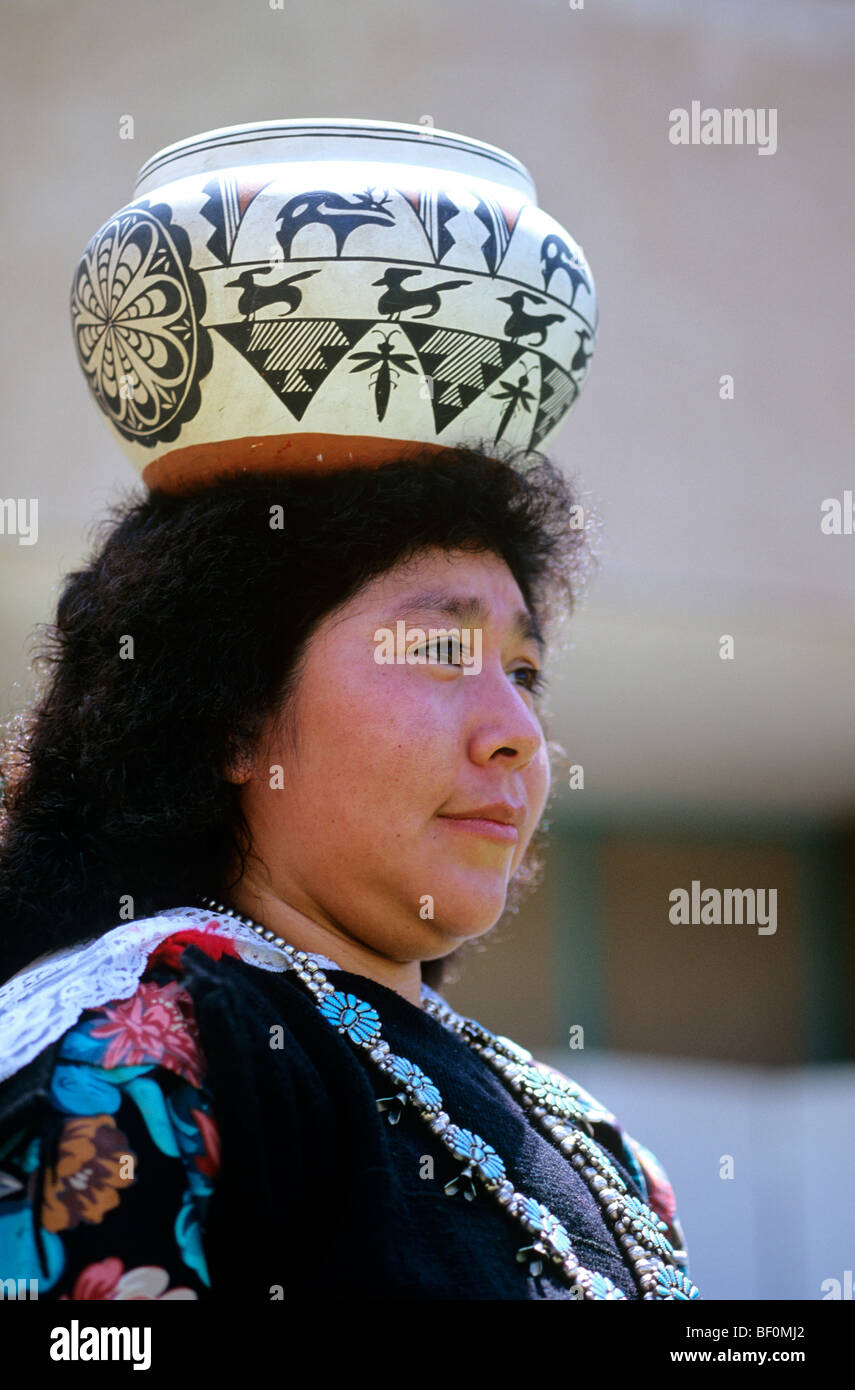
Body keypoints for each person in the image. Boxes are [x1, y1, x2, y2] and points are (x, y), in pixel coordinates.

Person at [0, 443, 699, 1301]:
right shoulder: (139, 1057)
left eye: (524, 672)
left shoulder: (596, 1146)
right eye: (439, 650)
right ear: (234, 718)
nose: (518, 728)